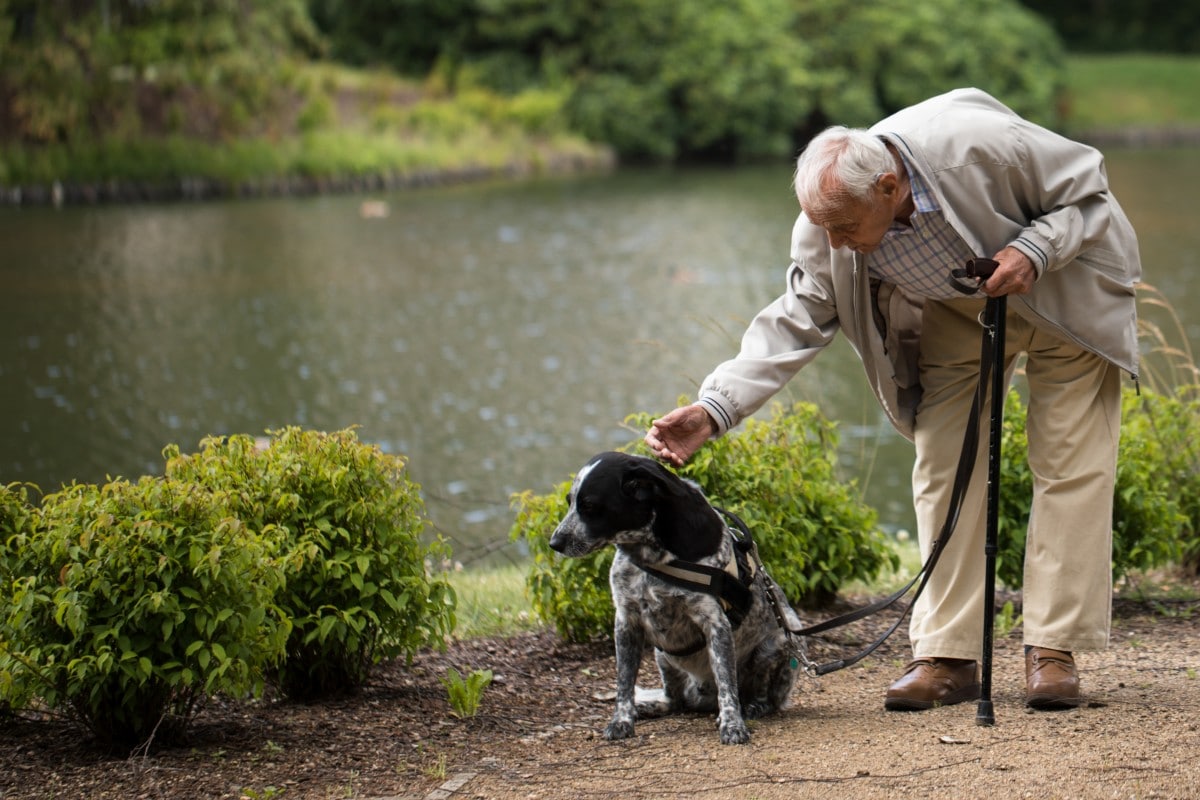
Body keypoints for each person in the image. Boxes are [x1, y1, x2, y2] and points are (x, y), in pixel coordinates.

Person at [644, 87, 1140, 711]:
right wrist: (714, 408)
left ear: (888, 185)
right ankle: (948, 655)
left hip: (1067, 291)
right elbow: (796, 317)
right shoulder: (831, 220)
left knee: (1070, 465)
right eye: (828, 229)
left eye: (846, 227)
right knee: (943, 465)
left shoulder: (979, 148)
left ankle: (1053, 649)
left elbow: (1088, 190)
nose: (839, 242)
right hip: (964, 304)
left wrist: (1034, 250)